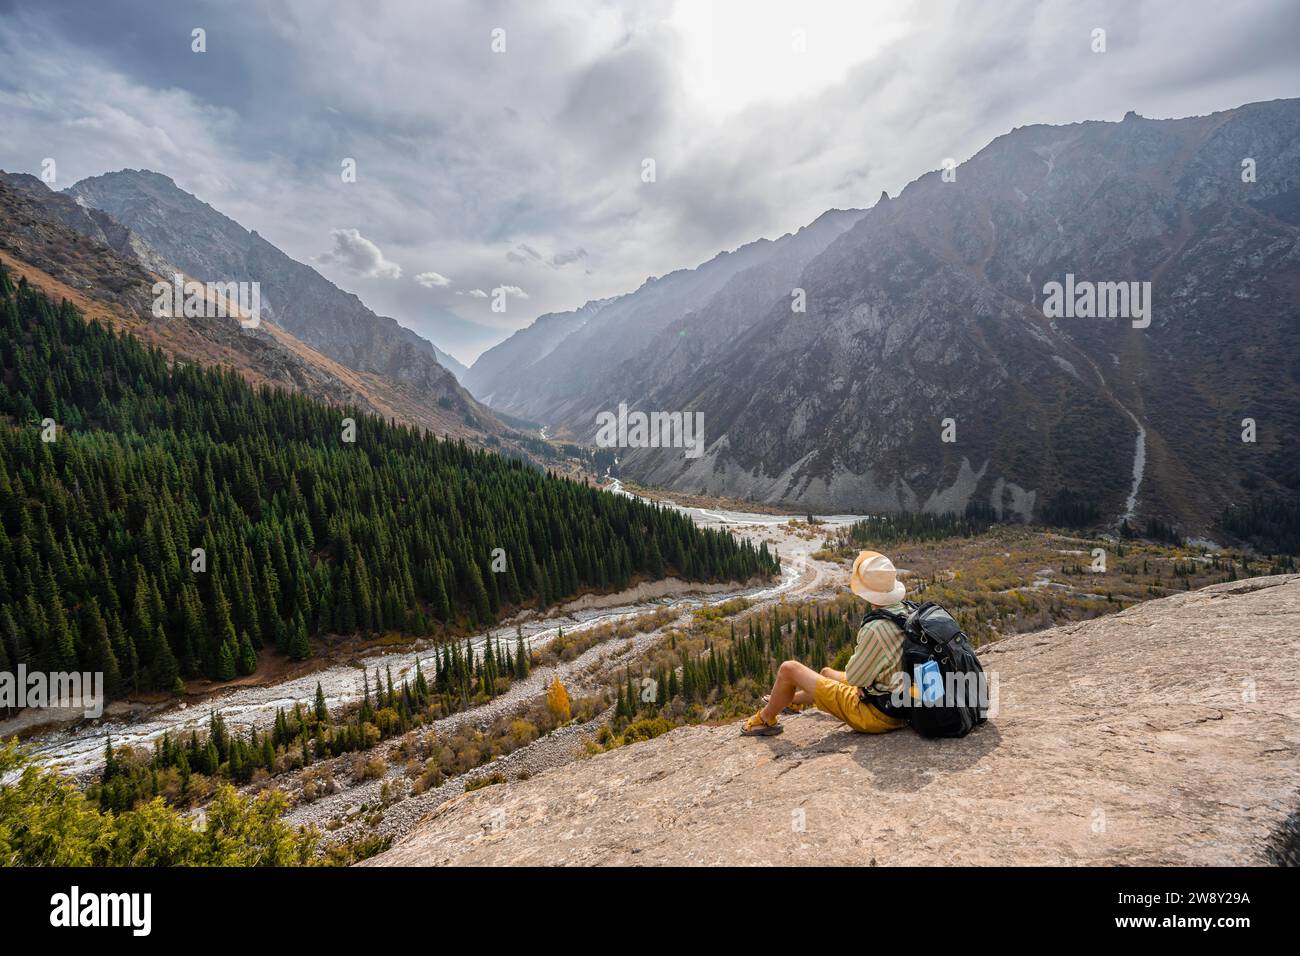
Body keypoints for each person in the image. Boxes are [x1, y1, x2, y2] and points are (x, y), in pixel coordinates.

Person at [741, 550, 909, 737]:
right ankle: (792, 701)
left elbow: (855, 678)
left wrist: (862, 684)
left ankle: (765, 720)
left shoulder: (875, 628)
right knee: (826, 673)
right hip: (903, 700)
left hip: (879, 715)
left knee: (789, 669)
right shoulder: (907, 611)